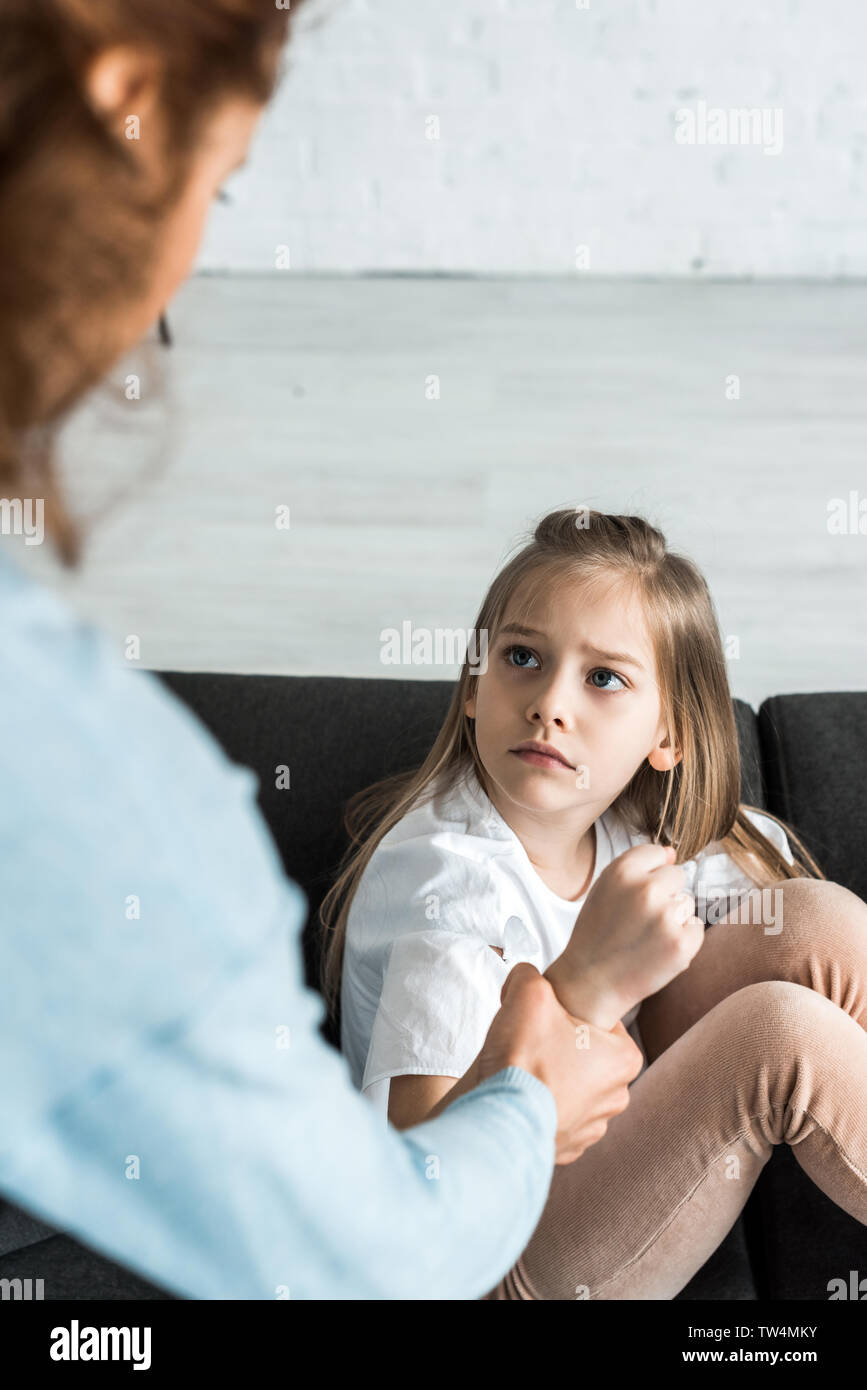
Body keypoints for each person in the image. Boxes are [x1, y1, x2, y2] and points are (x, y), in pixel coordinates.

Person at [0, 0, 670, 1300]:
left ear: (662, 732)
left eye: (604, 675)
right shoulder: (91, 791)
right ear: (124, 108)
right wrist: (526, 1089)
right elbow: (361, 1262)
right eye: (222, 184)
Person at [328, 507, 867, 1298]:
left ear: (667, 737)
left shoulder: (613, 821)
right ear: (474, 685)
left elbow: (768, 876)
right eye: (521, 657)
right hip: (484, 1264)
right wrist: (585, 990)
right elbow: (428, 1196)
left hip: (577, 1160)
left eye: (603, 678)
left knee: (808, 918)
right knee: (776, 1034)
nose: (550, 702)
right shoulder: (448, 886)